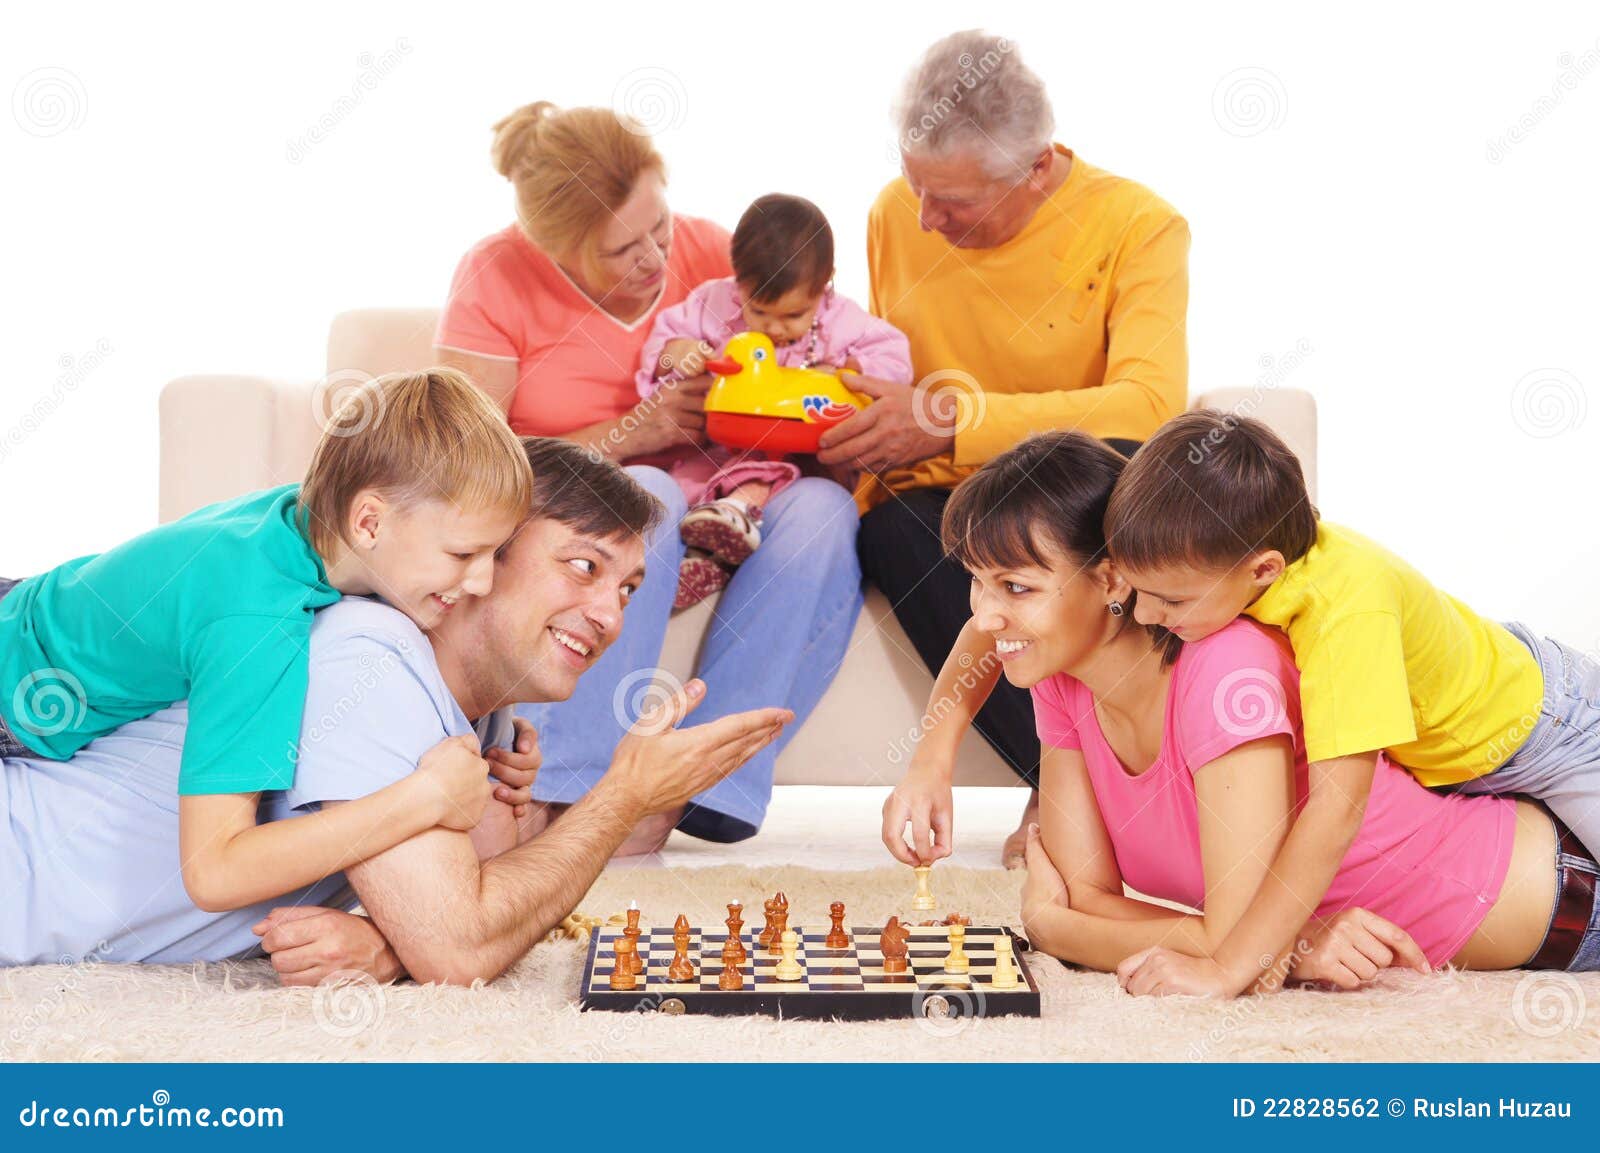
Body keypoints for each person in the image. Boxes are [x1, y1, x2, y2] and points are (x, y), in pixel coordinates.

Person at [0, 439, 793, 981]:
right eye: (581, 567)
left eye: (624, 589)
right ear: (484, 556)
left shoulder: (468, 706)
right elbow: (459, 943)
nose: (610, 616)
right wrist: (623, 795)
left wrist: (386, 945)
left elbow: (474, 899)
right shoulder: (369, 654)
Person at [886, 432, 1594, 994]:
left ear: (1110, 580)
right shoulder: (1059, 675)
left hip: (1569, 894)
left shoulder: (1226, 668)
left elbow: (1221, 943)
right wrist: (932, 757)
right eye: (977, 581)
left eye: (1013, 584)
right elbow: (1094, 896)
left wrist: (1050, 922)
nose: (983, 611)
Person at [436, 102, 861, 848]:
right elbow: (466, 457)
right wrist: (637, 432)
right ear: (553, 248)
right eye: (621, 250)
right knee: (650, 497)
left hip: (731, 483)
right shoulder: (494, 276)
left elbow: (813, 332)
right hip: (591, 490)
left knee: (824, 509)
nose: (656, 261)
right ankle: (563, 792)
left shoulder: (709, 252)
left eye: (658, 230)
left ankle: (694, 783)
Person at [1079, 408, 1600, 995]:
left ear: (1263, 570)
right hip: (1464, 741)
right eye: (1139, 592)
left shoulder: (1346, 613)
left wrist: (1229, 969)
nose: (1145, 616)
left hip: (1558, 727)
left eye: (1170, 602)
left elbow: (1336, 812)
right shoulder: (1230, 560)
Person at [840, 31, 1189, 865]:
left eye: (951, 201)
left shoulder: (1139, 226)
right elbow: (889, 361)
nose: (925, 218)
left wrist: (955, 422)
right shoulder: (897, 212)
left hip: (1078, 492)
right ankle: (1064, 779)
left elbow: (1145, 409)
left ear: (1036, 169)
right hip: (945, 496)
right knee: (890, 527)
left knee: (1066, 544)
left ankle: (1087, 786)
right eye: (915, 187)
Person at [0, 369, 534, 913]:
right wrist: (424, 798)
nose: (484, 583)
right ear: (369, 523)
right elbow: (214, 874)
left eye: (495, 554)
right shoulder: (257, 624)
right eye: (463, 555)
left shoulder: (309, 521)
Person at [635, 192, 912, 606]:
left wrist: (850, 371)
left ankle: (733, 520)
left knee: (772, 473)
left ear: (825, 286)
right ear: (738, 284)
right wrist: (675, 354)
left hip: (803, 454)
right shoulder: (712, 303)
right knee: (682, 486)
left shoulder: (842, 319)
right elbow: (666, 341)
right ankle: (698, 557)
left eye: (792, 316)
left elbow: (893, 355)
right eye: (759, 312)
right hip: (721, 445)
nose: (775, 329)